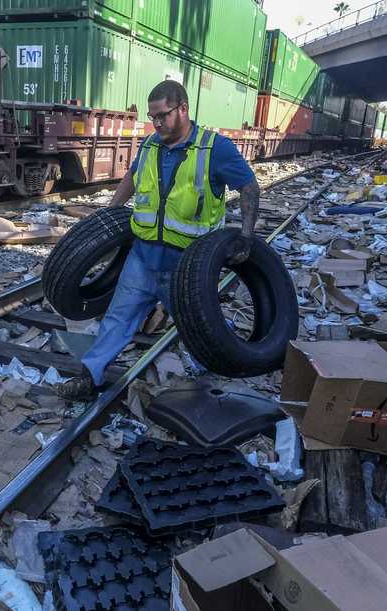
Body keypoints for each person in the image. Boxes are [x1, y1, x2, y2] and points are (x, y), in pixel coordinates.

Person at [60, 79, 260, 399]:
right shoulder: (151, 145)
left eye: (162, 116)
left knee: (197, 327)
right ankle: (90, 376)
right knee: (117, 318)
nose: (157, 123)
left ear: (183, 109)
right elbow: (132, 177)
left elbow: (249, 188)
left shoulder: (214, 149)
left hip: (186, 265)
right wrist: (109, 216)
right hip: (143, 257)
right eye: (152, 117)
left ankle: (218, 370)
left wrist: (246, 238)